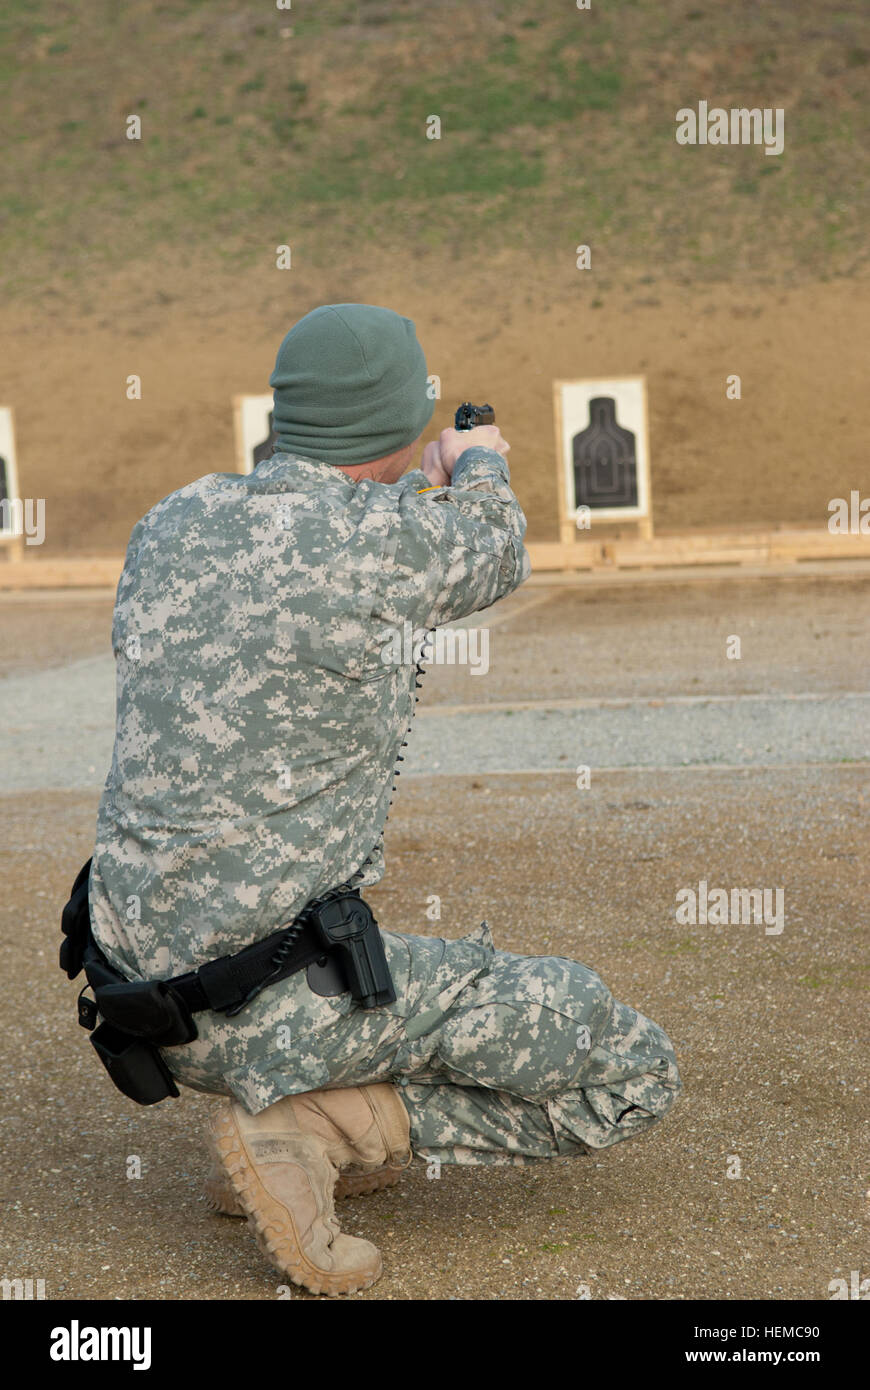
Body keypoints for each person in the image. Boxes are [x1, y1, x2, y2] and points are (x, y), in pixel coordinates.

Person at [88, 303, 681, 1296]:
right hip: (266, 1002)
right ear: (399, 420)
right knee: (632, 1068)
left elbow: (315, 536)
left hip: (134, 994)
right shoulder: (388, 544)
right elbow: (494, 542)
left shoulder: (172, 520)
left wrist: (410, 479)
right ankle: (314, 1125)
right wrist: (478, 459)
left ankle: (296, 1108)